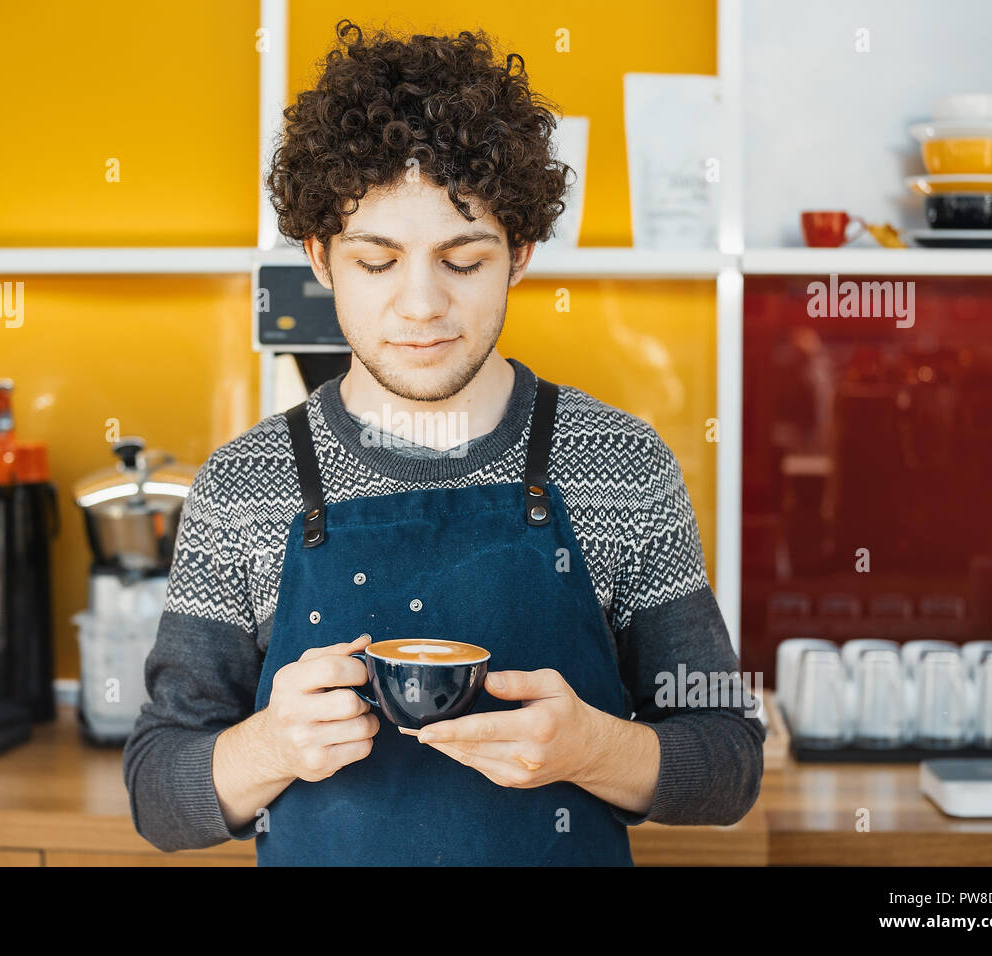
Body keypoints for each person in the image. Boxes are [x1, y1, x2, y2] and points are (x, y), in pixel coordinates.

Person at [123, 19, 764, 866]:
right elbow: (156, 790)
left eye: (462, 260)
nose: (420, 305)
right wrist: (271, 747)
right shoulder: (245, 485)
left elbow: (729, 756)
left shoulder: (623, 464)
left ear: (522, 252)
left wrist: (594, 751)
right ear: (320, 256)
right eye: (376, 262)